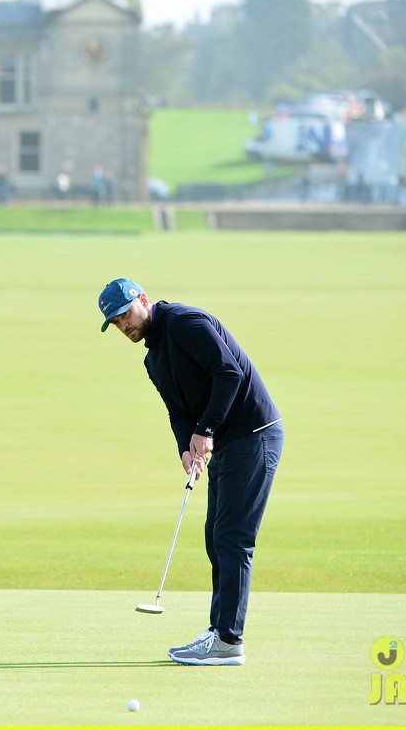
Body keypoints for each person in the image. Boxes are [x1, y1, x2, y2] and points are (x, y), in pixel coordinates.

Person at [98, 278, 283, 667]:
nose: (124, 326)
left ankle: (229, 641)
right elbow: (177, 411)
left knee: (232, 537)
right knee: (215, 535)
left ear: (143, 300)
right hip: (229, 444)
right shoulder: (152, 359)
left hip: (254, 435)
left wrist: (207, 430)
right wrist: (187, 448)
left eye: (126, 315)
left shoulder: (184, 322)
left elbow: (228, 372)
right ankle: (219, 630)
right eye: (115, 323)